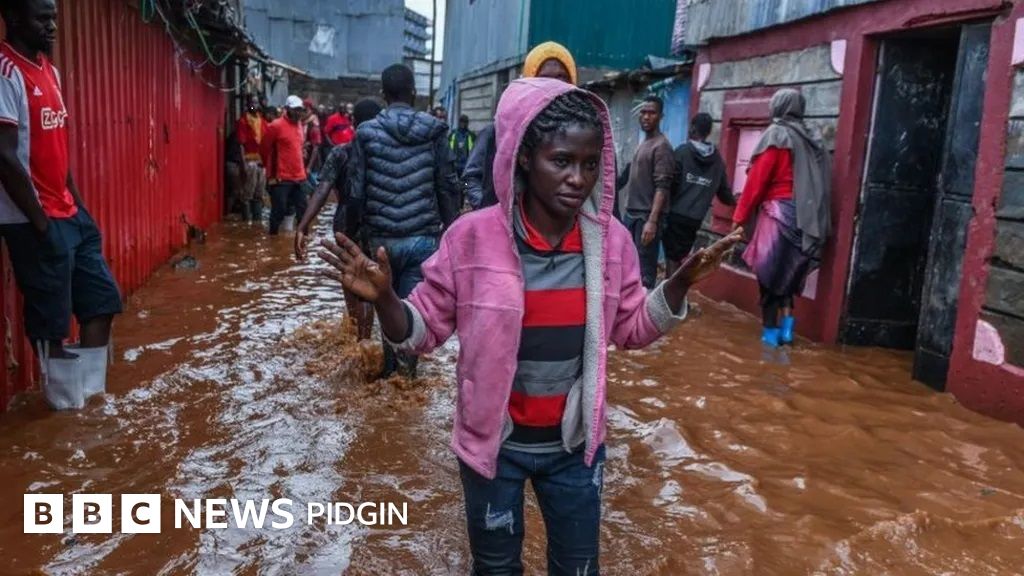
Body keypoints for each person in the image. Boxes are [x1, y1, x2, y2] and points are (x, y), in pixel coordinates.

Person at [320, 78, 743, 575]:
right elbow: (422, 331)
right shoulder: (471, 238)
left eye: (589, 164)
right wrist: (388, 298)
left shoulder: (610, 243)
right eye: (561, 161)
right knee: (495, 568)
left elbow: (630, 328)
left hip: (574, 449)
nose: (577, 179)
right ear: (522, 157)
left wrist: (678, 285)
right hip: (492, 449)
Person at [0, 0, 123, 410]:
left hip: (70, 214)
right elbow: (4, 156)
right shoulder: (6, 73)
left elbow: (57, 149)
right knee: (51, 324)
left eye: (54, 17)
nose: (52, 26)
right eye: (43, 18)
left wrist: (82, 210)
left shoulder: (49, 71)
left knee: (101, 302)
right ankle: (65, 413)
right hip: (33, 221)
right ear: (13, 18)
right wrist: (41, 223)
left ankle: (90, 404)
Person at [347, 63, 459, 378]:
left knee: (386, 304)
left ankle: (388, 374)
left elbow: (356, 192)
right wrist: (453, 233)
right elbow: (447, 185)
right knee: (413, 310)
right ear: (414, 92)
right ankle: (406, 380)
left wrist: (353, 237)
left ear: (383, 94)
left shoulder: (365, 133)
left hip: (380, 240)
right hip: (422, 239)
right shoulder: (436, 130)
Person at [732, 88, 831, 347]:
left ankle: (770, 336)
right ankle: (787, 328)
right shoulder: (811, 139)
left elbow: (757, 181)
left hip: (778, 215)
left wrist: (739, 216)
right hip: (805, 217)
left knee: (769, 274)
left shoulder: (777, 135)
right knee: (789, 273)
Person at [295, 99, 382, 340]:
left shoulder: (340, 152)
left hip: (345, 225)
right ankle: (366, 341)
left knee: (350, 278)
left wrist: (303, 225)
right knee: (370, 283)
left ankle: (356, 337)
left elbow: (321, 191)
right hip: (378, 225)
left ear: (353, 122)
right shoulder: (387, 155)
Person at [464, 41, 577, 210]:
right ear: (529, 81)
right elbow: (470, 177)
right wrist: (485, 208)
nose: (554, 85)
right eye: (544, 78)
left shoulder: (587, 135)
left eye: (561, 77)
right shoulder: (499, 131)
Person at [666, 112, 735, 277]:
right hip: (695, 219)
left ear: (692, 128)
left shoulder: (682, 152)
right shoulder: (717, 160)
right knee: (681, 257)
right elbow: (724, 194)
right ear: (708, 132)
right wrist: (740, 202)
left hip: (676, 215)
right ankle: (676, 288)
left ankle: (671, 289)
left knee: (672, 258)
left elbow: (670, 184)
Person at [621, 95, 676, 289]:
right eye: (643, 112)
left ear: (661, 116)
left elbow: (663, 187)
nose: (646, 117)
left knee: (644, 270)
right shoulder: (644, 143)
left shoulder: (662, 147)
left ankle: (645, 305)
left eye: (651, 113)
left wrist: (652, 222)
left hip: (646, 217)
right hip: (632, 214)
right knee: (628, 265)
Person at [262, 95, 309, 236]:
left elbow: (298, 146)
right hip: (281, 177)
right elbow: (264, 149)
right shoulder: (276, 126)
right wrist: (270, 172)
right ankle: (273, 239)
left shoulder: (300, 125)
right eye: (296, 110)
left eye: (300, 110)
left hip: (299, 176)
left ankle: (303, 240)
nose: (299, 113)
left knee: (304, 210)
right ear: (287, 109)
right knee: (279, 210)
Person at [235, 95, 269, 222]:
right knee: (247, 192)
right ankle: (246, 223)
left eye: (256, 103)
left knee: (259, 193)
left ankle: (257, 224)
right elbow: (241, 144)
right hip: (249, 161)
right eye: (252, 103)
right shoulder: (243, 121)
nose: (254, 105)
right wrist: (243, 163)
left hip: (261, 162)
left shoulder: (262, 121)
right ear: (247, 104)